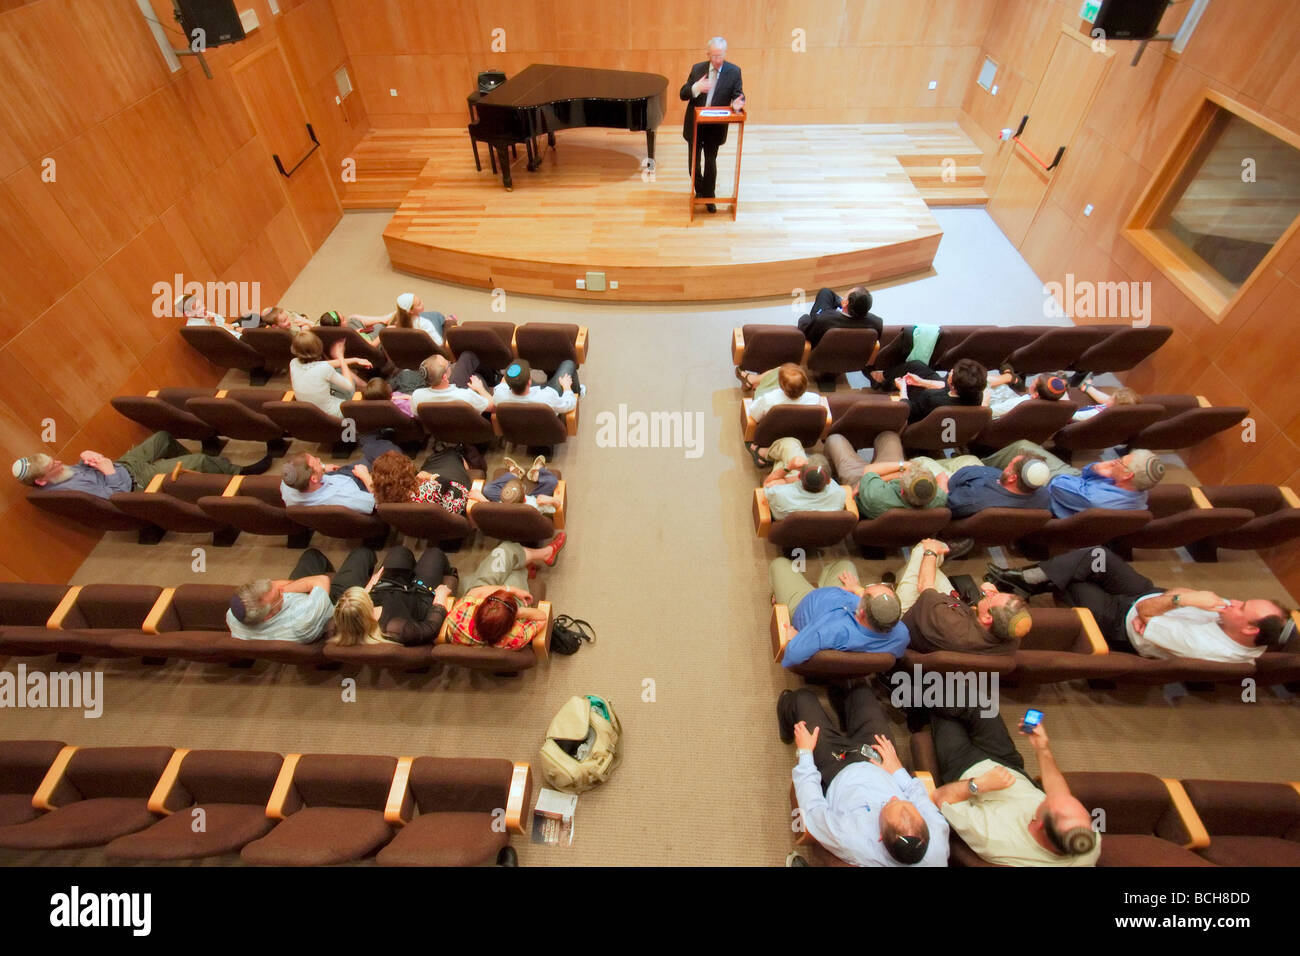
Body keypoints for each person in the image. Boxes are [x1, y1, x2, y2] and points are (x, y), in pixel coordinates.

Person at [986, 547, 1293, 662]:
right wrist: (1176, 599)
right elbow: (1171, 594)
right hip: (1147, 597)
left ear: (1250, 629)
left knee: (1076, 580)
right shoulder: (1235, 619)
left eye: (1242, 607)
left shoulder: (1207, 649)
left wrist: (1184, 599)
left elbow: (1153, 609)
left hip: (1119, 625)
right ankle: (1024, 581)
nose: (1233, 602)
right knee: (1097, 557)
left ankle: (1021, 582)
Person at [777, 685, 949, 866]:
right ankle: (845, 717)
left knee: (802, 699)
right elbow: (920, 796)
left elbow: (813, 811)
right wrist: (897, 769)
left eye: (889, 805)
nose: (893, 797)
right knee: (862, 693)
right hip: (882, 767)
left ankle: (786, 721)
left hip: (836, 770)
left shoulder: (851, 839)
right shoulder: (937, 839)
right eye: (903, 800)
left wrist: (805, 752)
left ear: (880, 836)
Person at [927, 711, 1100, 867]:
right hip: (1010, 765)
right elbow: (1060, 795)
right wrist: (1043, 749)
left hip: (964, 767)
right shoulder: (1085, 840)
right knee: (980, 704)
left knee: (945, 712)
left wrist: (978, 784)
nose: (1058, 794)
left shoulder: (995, 839)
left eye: (1052, 799)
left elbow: (940, 797)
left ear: (1040, 824)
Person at [12, 431, 269, 499]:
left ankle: (203, 471)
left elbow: (81, 471)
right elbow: (117, 496)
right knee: (199, 460)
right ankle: (239, 474)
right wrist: (108, 470)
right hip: (136, 482)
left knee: (162, 438)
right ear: (41, 481)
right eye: (53, 466)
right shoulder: (69, 492)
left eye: (54, 459)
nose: (59, 462)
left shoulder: (57, 476)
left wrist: (86, 457)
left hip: (124, 465)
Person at [767, 555, 910, 667]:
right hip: (836, 596)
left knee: (779, 564)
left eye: (865, 592)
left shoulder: (830, 630)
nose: (862, 590)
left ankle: (780, 596)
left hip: (802, 605)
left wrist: (796, 638)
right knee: (845, 565)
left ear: (861, 612)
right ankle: (823, 583)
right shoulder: (901, 634)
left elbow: (792, 656)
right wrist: (857, 589)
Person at [897, 538, 1031, 655]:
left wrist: (931, 551)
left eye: (992, 597)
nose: (990, 593)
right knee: (929, 563)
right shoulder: (1010, 638)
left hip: (912, 615)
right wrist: (988, 598)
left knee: (924, 550)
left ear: (987, 618)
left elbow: (924, 585)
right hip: (953, 612)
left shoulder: (947, 621)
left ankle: (901, 581)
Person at [227, 547, 377, 643]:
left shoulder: (234, 616)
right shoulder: (303, 620)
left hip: (302, 600)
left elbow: (275, 589)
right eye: (278, 595)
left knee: (312, 555)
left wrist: (280, 591)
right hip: (330, 604)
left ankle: (332, 572)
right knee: (362, 553)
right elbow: (321, 580)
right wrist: (286, 588)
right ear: (268, 616)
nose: (281, 591)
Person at [981, 441, 1164, 516]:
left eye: (1121, 462)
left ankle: (980, 466)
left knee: (1021, 450)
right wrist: (1096, 468)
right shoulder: (1139, 493)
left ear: (1127, 475)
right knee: (1026, 447)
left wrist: (1095, 470)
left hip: (1056, 491)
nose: (1115, 461)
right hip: (1075, 484)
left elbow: (1057, 484)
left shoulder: (1095, 500)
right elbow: (1084, 474)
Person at [445, 537, 567, 650]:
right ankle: (538, 558)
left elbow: (474, 592)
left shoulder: (458, 619)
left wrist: (509, 589)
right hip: (514, 607)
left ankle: (528, 564)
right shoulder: (516, 637)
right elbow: (542, 617)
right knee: (512, 564)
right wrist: (518, 612)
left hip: (480, 591)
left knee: (505, 558)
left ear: (478, 610)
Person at [328, 545, 456, 647]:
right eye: (365, 596)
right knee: (434, 553)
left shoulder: (345, 621)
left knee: (399, 551)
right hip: (419, 597)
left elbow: (353, 608)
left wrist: (371, 585)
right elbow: (430, 628)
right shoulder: (396, 628)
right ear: (367, 606)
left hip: (389, 587)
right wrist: (440, 599)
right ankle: (452, 575)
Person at [680, 36, 744, 212]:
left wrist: (737, 104)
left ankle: (709, 196)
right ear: (708, 54)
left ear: (725, 53)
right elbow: (683, 94)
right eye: (714, 56)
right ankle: (700, 190)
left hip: (715, 126)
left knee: (710, 161)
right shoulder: (697, 69)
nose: (717, 59)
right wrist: (696, 88)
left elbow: (738, 95)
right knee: (693, 165)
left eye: (720, 55)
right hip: (695, 124)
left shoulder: (734, 71)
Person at [823, 431, 948, 519]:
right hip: (878, 480)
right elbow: (942, 477)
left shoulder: (876, 496)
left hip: (861, 485)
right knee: (889, 436)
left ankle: (833, 480)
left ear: (902, 490)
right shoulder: (938, 499)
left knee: (835, 439)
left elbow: (869, 471)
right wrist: (896, 475)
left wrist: (905, 465)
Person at [279, 434, 405, 512]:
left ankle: (374, 441)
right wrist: (365, 476)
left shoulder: (289, 483)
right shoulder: (343, 498)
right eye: (315, 462)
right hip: (361, 484)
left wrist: (323, 468)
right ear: (313, 479)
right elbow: (379, 503)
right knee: (393, 456)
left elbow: (302, 473)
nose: (318, 459)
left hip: (340, 475)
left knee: (368, 439)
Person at [289, 331, 371, 418]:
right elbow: (349, 386)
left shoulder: (293, 363)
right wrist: (340, 356)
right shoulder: (324, 368)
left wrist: (354, 360)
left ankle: (365, 385)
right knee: (348, 384)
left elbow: (321, 365)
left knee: (338, 371)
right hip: (332, 415)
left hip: (308, 414)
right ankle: (368, 387)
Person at [943, 453, 1053, 518]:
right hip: (977, 472)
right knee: (970, 458)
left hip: (951, 483)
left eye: (1010, 464)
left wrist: (942, 482)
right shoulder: (1044, 497)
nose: (1007, 466)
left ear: (1012, 478)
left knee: (931, 464)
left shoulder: (976, 498)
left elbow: (945, 504)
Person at [371, 448, 474, 515]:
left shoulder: (382, 502)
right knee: (452, 456)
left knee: (432, 463)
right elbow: (447, 484)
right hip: (453, 510)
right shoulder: (426, 490)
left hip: (421, 523)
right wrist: (430, 476)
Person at [898, 358, 987, 425]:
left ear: (953, 386)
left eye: (952, 373)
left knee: (914, 375)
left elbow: (907, 412)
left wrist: (903, 388)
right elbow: (947, 388)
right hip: (949, 429)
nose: (951, 371)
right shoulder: (977, 395)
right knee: (918, 366)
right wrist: (920, 382)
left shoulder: (932, 398)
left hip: (919, 427)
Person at [347, 292, 457, 346]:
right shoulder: (424, 324)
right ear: (410, 311)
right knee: (436, 315)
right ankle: (448, 321)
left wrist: (356, 334)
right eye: (419, 304)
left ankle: (448, 320)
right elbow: (439, 344)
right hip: (429, 347)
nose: (422, 304)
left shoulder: (390, 329)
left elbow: (352, 318)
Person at [761, 453, 844, 520]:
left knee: (785, 454)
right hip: (819, 533)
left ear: (799, 476)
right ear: (828, 481)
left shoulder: (780, 494)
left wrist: (788, 467)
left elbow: (766, 485)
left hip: (786, 530)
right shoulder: (839, 494)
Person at [735, 363, 826, 423]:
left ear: (781, 386)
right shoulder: (815, 399)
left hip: (770, 429)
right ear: (806, 384)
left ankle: (752, 380)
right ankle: (752, 380)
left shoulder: (768, 400)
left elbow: (754, 415)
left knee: (779, 370)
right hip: (796, 430)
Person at [409, 353, 494, 415]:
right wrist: (480, 389)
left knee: (467, 357)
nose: (450, 364)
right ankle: (495, 379)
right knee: (475, 373)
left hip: (440, 429)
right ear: (444, 377)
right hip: (471, 427)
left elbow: (418, 417)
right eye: (449, 364)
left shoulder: (416, 396)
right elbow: (494, 407)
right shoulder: (466, 396)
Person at [797, 287, 885, 344]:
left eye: (845, 297)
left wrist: (805, 317)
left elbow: (806, 330)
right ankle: (848, 304)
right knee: (826, 292)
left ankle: (844, 304)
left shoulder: (823, 320)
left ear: (845, 303)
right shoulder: (877, 323)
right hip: (852, 357)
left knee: (825, 293)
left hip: (823, 354)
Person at [492, 359, 581, 414]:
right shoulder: (548, 396)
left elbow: (502, 385)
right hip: (545, 419)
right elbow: (569, 404)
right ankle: (579, 392)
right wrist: (567, 387)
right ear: (529, 382)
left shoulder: (499, 396)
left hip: (522, 425)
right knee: (568, 364)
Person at [176, 292, 240, 337]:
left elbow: (223, 324)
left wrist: (237, 329)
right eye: (198, 308)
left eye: (202, 304)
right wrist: (212, 323)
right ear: (188, 314)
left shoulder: (204, 313)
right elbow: (219, 338)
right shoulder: (193, 329)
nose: (204, 308)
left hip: (234, 333)